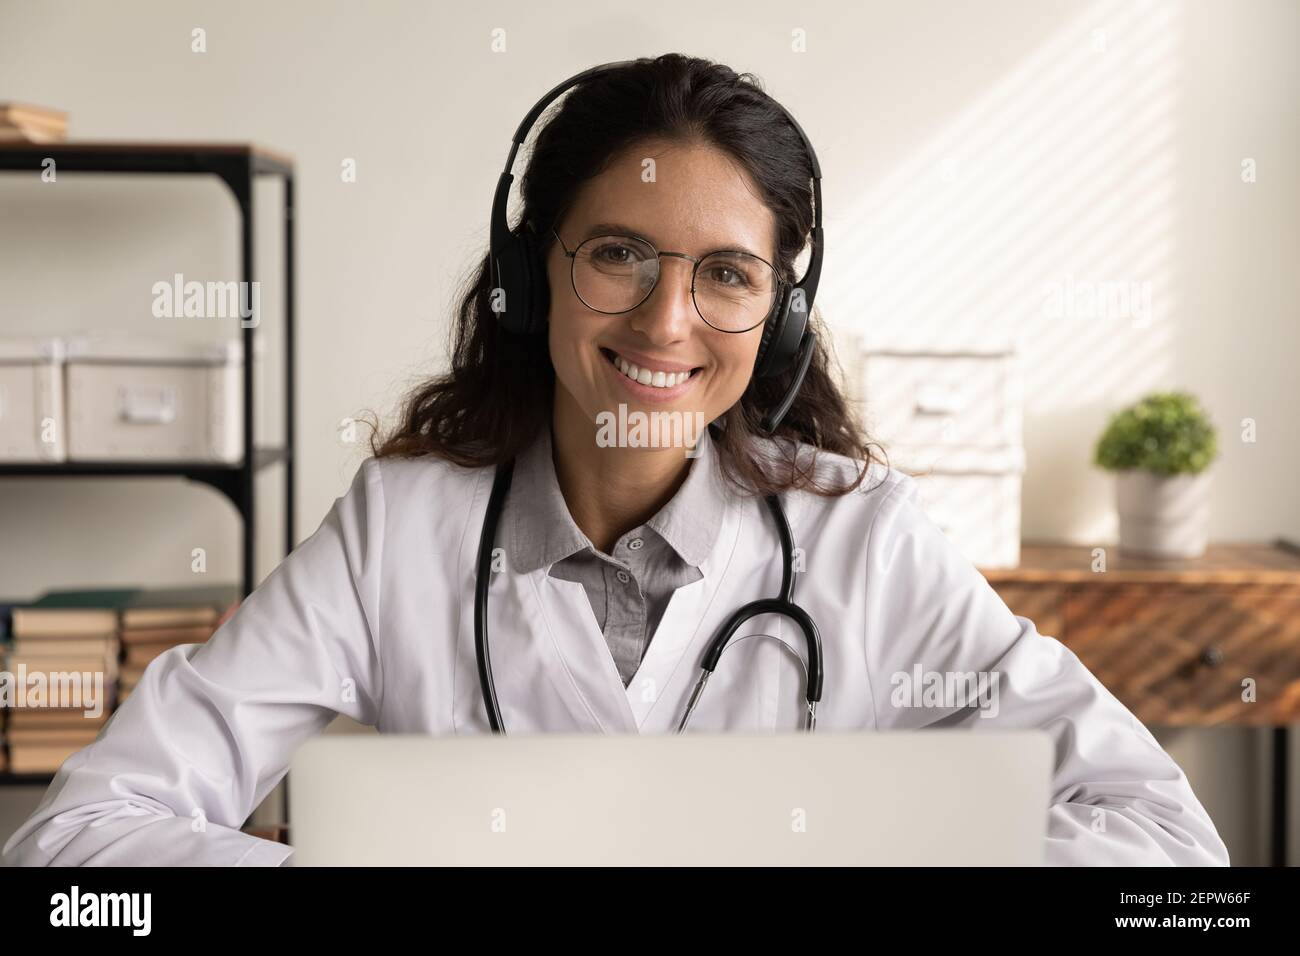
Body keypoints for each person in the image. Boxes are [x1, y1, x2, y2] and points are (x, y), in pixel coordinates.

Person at [3, 53, 1228, 866]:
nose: (663, 322)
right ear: (536, 281)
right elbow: (75, 845)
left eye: (726, 274)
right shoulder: (404, 529)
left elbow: (1168, 840)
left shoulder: (867, 540)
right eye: (619, 255)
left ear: (781, 321)